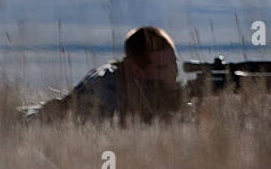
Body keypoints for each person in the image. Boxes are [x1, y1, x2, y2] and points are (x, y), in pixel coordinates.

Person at [23, 26, 184, 123]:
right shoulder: (104, 89)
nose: (174, 72)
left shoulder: (153, 91)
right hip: (30, 122)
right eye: (162, 67)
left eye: (174, 63)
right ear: (137, 71)